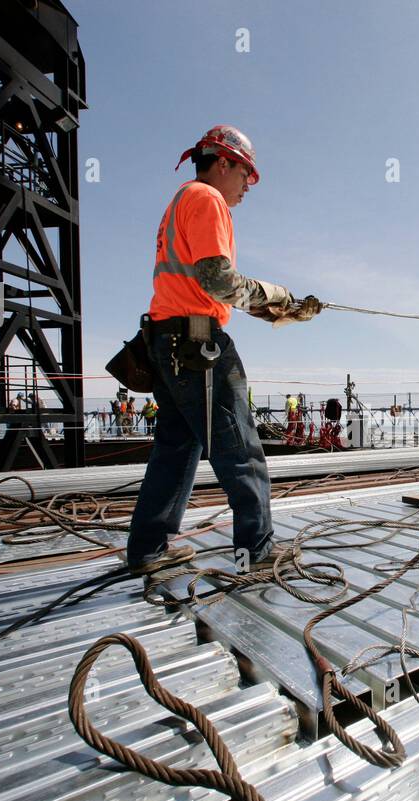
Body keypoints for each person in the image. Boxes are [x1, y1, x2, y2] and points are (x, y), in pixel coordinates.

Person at [127, 124, 321, 574]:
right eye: (245, 174)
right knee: (240, 447)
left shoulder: (181, 200)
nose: (247, 186)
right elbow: (217, 280)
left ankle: (147, 551)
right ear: (223, 163)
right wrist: (276, 295)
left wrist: (278, 310)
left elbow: (207, 286)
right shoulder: (207, 199)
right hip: (197, 347)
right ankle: (256, 551)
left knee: (176, 448)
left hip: (167, 342)